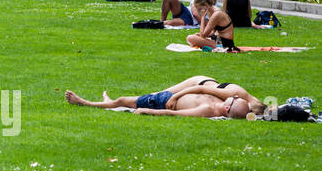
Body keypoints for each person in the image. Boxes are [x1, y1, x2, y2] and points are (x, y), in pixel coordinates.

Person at [64, 76, 258, 118]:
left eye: (231, 101)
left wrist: (147, 112)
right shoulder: (222, 101)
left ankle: (84, 102)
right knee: (123, 101)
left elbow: (175, 115)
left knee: (122, 100)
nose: (229, 98)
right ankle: (107, 102)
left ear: (227, 109)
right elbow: (199, 90)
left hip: (161, 102)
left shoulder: (209, 109)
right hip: (171, 96)